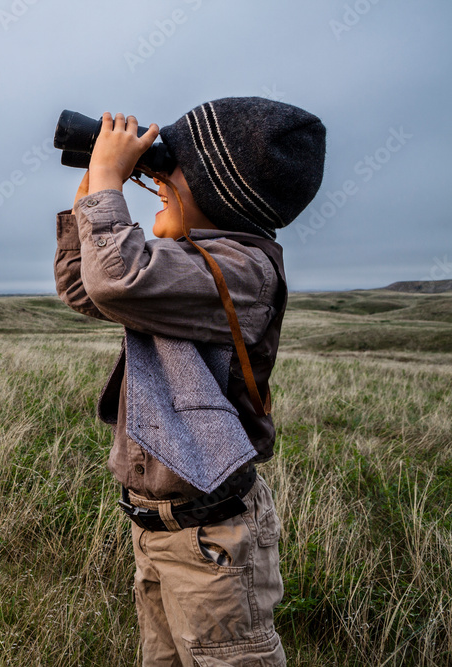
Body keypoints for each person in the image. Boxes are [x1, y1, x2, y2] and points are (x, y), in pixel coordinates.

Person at [53, 97, 326, 666]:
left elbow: (115, 280)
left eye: (163, 176)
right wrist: (89, 196)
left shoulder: (242, 269)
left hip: (212, 539)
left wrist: (109, 178)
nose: (151, 184)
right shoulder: (189, 261)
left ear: (221, 197)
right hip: (158, 529)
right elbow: (86, 291)